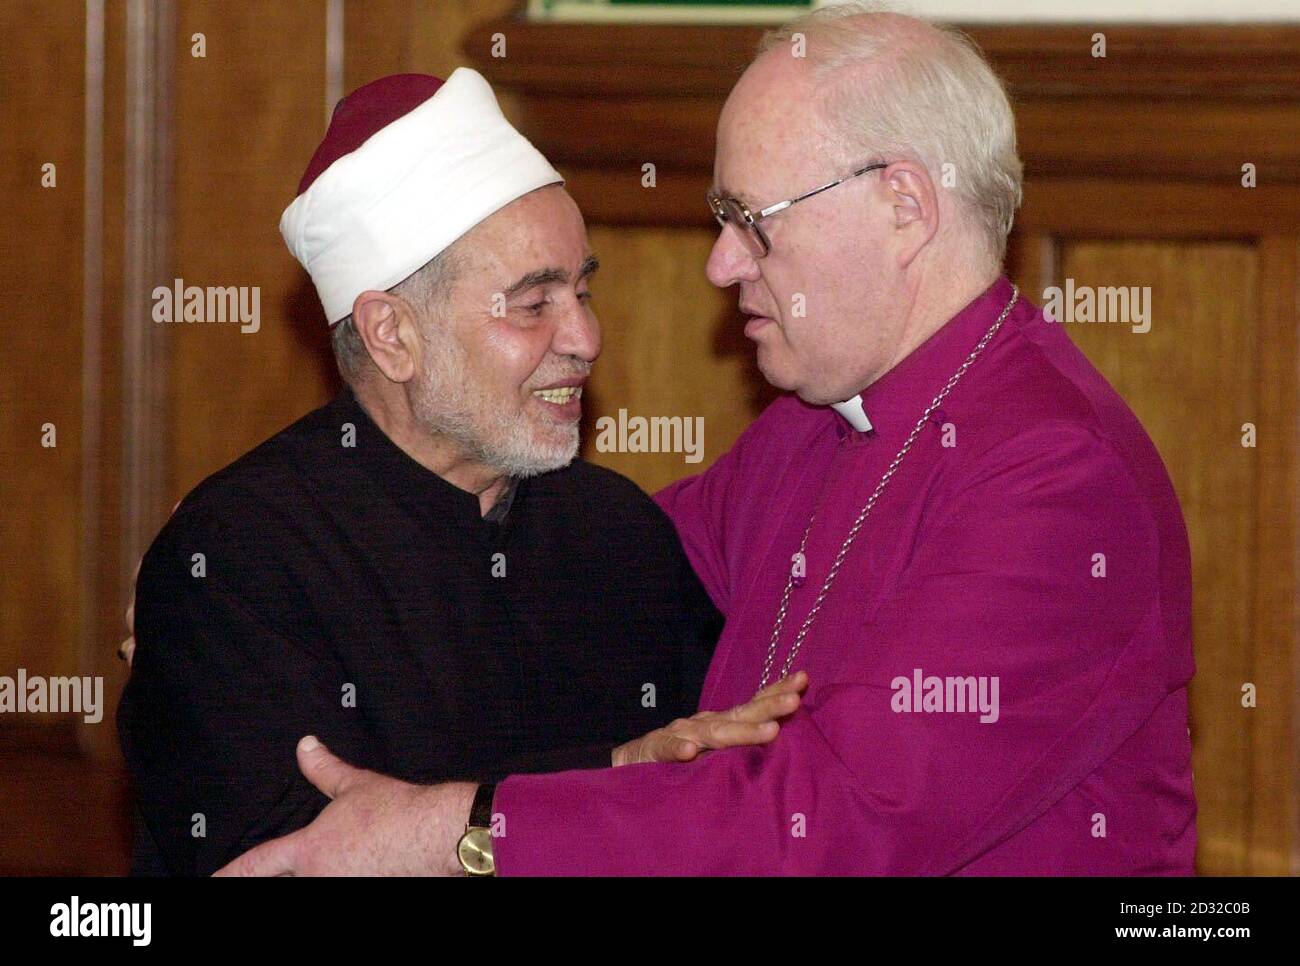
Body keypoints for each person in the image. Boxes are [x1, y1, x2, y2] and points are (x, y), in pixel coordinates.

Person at [215, 3, 1196, 877]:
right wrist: (258, 540)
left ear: (904, 205)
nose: (722, 265)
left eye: (749, 221)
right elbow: (581, 565)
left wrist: (454, 835)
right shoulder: (816, 424)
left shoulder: (1057, 479)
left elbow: (821, 823)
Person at [117, 69, 805, 877]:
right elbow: (298, 864)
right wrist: (618, 779)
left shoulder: (617, 533)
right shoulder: (236, 567)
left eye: (582, 290)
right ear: (392, 336)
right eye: (533, 303)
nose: (586, 337)